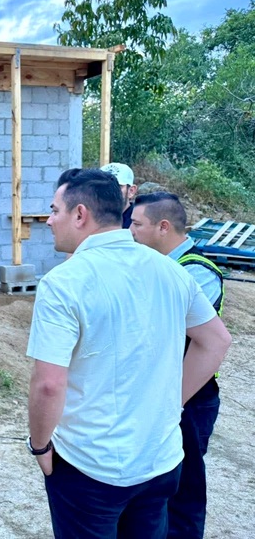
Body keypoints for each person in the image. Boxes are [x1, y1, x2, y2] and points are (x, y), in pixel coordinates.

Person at [26, 169, 231, 538]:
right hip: (160, 459)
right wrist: (173, 403)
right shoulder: (169, 271)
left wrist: (39, 444)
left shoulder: (64, 283)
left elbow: (49, 385)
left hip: (89, 467)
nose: (48, 219)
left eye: (54, 209)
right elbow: (216, 341)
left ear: (80, 214)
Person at [130, 192, 225, 539]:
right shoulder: (156, 266)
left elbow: (157, 324)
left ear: (163, 227)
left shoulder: (198, 272)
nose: (131, 231)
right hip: (161, 393)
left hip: (190, 397)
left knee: (183, 490)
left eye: (137, 224)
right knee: (156, 487)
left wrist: (174, 401)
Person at [101, 162, 137, 228]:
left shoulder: (138, 223)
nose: (109, 191)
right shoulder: (92, 220)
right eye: (103, 187)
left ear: (131, 191)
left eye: (117, 186)